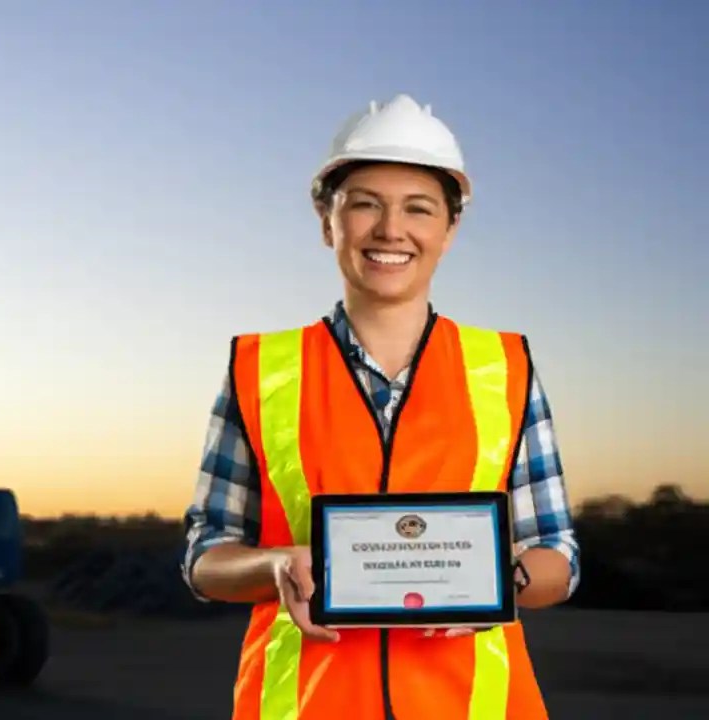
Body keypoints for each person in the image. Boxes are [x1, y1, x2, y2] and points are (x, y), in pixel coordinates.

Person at [180, 94, 580, 720]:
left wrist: (502, 580)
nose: (391, 230)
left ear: (448, 230)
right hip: (306, 705)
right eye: (364, 204)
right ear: (326, 222)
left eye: (417, 209)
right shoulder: (262, 371)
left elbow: (557, 554)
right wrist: (278, 563)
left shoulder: (504, 369)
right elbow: (207, 558)